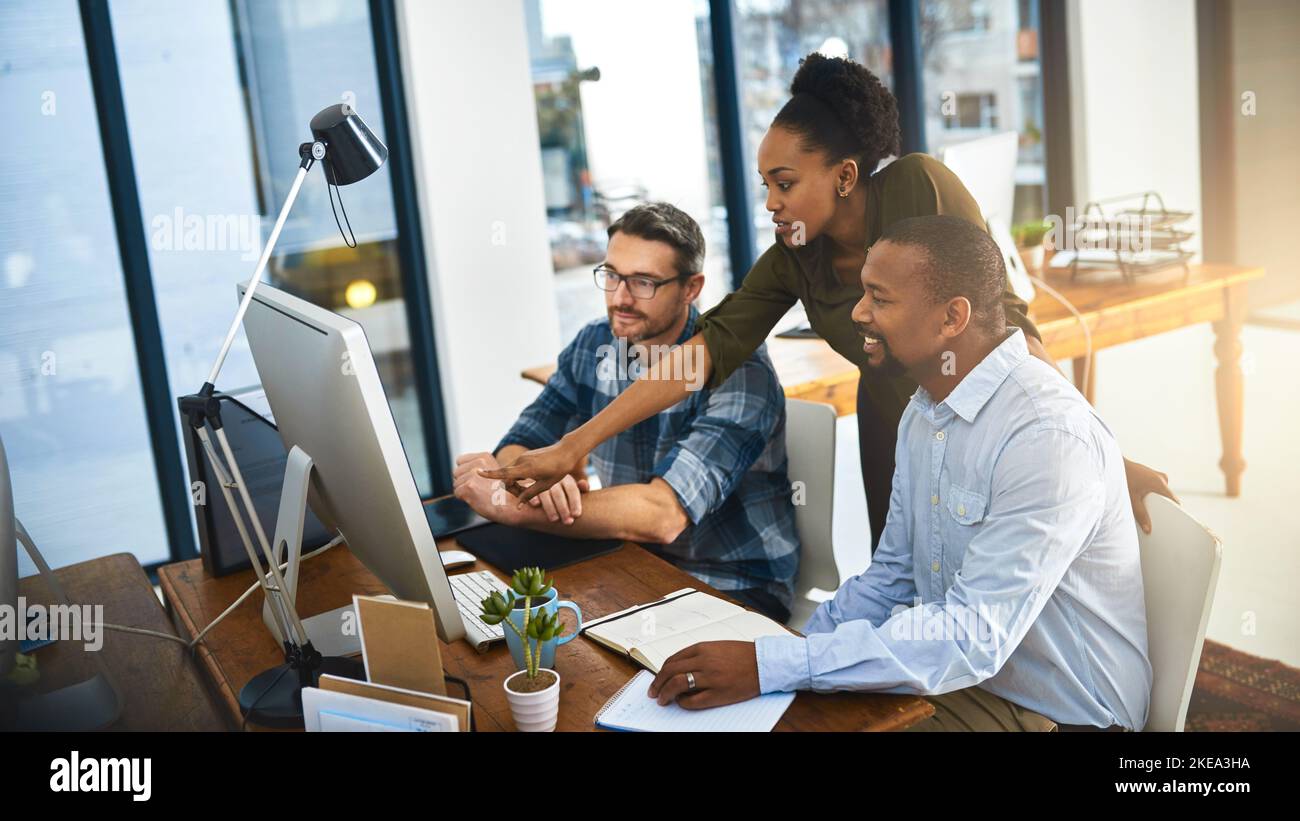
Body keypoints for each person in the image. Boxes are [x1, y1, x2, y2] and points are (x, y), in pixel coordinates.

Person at [481, 53, 1176, 548]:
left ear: (845, 176)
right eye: (764, 185)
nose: (771, 202)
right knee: (903, 586)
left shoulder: (915, 188)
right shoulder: (794, 258)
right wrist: (572, 444)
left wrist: (1100, 452)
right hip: (897, 420)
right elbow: (697, 358)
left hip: (991, 412)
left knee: (1003, 582)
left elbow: (1006, 334)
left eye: (784, 182)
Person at [645, 216, 1152, 732]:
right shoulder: (926, 409)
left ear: (953, 317)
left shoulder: (1046, 437)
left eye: (880, 299)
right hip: (960, 678)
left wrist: (775, 667)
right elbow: (892, 578)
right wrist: (789, 654)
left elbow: (973, 635)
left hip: (1062, 714)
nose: (858, 313)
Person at [453, 203, 800, 624]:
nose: (620, 297)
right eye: (612, 275)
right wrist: (529, 481)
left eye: (643, 282)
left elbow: (662, 515)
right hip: (624, 558)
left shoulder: (740, 371)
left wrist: (515, 508)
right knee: (501, 628)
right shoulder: (594, 343)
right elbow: (523, 439)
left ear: (691, 288)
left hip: (729, 584)